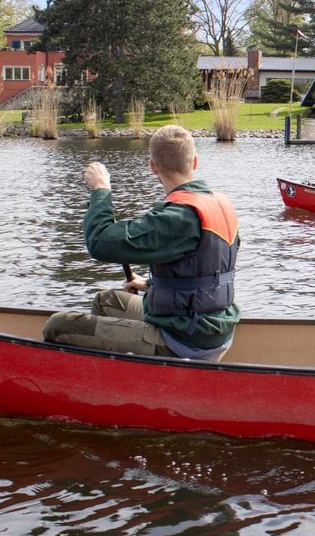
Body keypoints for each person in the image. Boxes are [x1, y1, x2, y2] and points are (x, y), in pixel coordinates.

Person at [43, 125, 240, 361]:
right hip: (210, 327)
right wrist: (149, 284)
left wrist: (101, 191)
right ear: (195, 162)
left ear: (153, 166)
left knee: (58, 327)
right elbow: (204, 271)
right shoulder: (219, 204)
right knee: (107, 301)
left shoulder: (178, 217)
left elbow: (100, 242)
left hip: (184, 339)